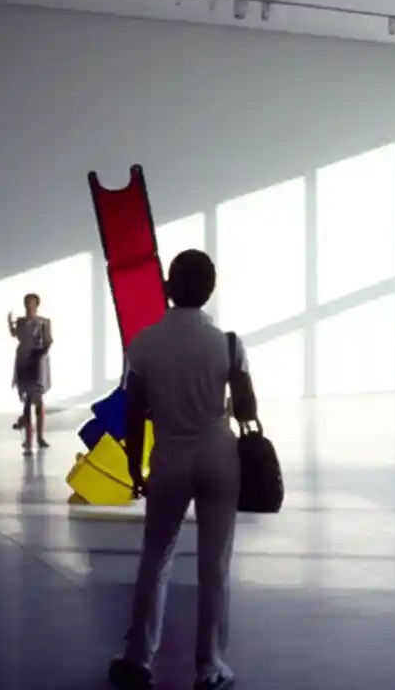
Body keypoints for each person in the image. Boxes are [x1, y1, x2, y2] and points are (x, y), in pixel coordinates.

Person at [108, 250, 258, 690]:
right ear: (210, 289)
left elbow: (134, 412)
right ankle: (210, 667)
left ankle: (138, 659)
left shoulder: (144, 343)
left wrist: (135, 466)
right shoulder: (228, 343)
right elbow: (247, 407)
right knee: (215, 565)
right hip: (218, 456)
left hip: (169, 457)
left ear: (168, 288)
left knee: (156, 557)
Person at [7, 293, 53, 454]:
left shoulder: (43, 322)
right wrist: (9, 325)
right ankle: (28, 440)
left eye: (31, 303)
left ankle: (39, 437)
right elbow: (16, 335)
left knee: (38, 400)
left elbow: (48, 341)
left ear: (36, 304)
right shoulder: (20, 321)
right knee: (26, 402)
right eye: (26, 303)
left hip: (36, 361)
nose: (28, 306)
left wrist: (40, 353)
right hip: (22, 360)